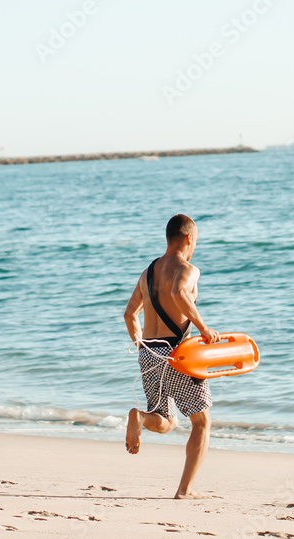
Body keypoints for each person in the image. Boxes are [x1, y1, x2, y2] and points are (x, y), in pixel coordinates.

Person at [122, 214, 221, 499]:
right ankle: (184, 490)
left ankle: (140, 418)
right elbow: (179, 293)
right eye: (195, 241)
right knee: (202, 422)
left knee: (165, 419)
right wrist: (203, 328)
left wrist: (140, 341)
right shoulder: (188, 269)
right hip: (175, 353)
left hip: (148, 353)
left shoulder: (148, 272)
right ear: (189, 238)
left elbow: (130, 313)